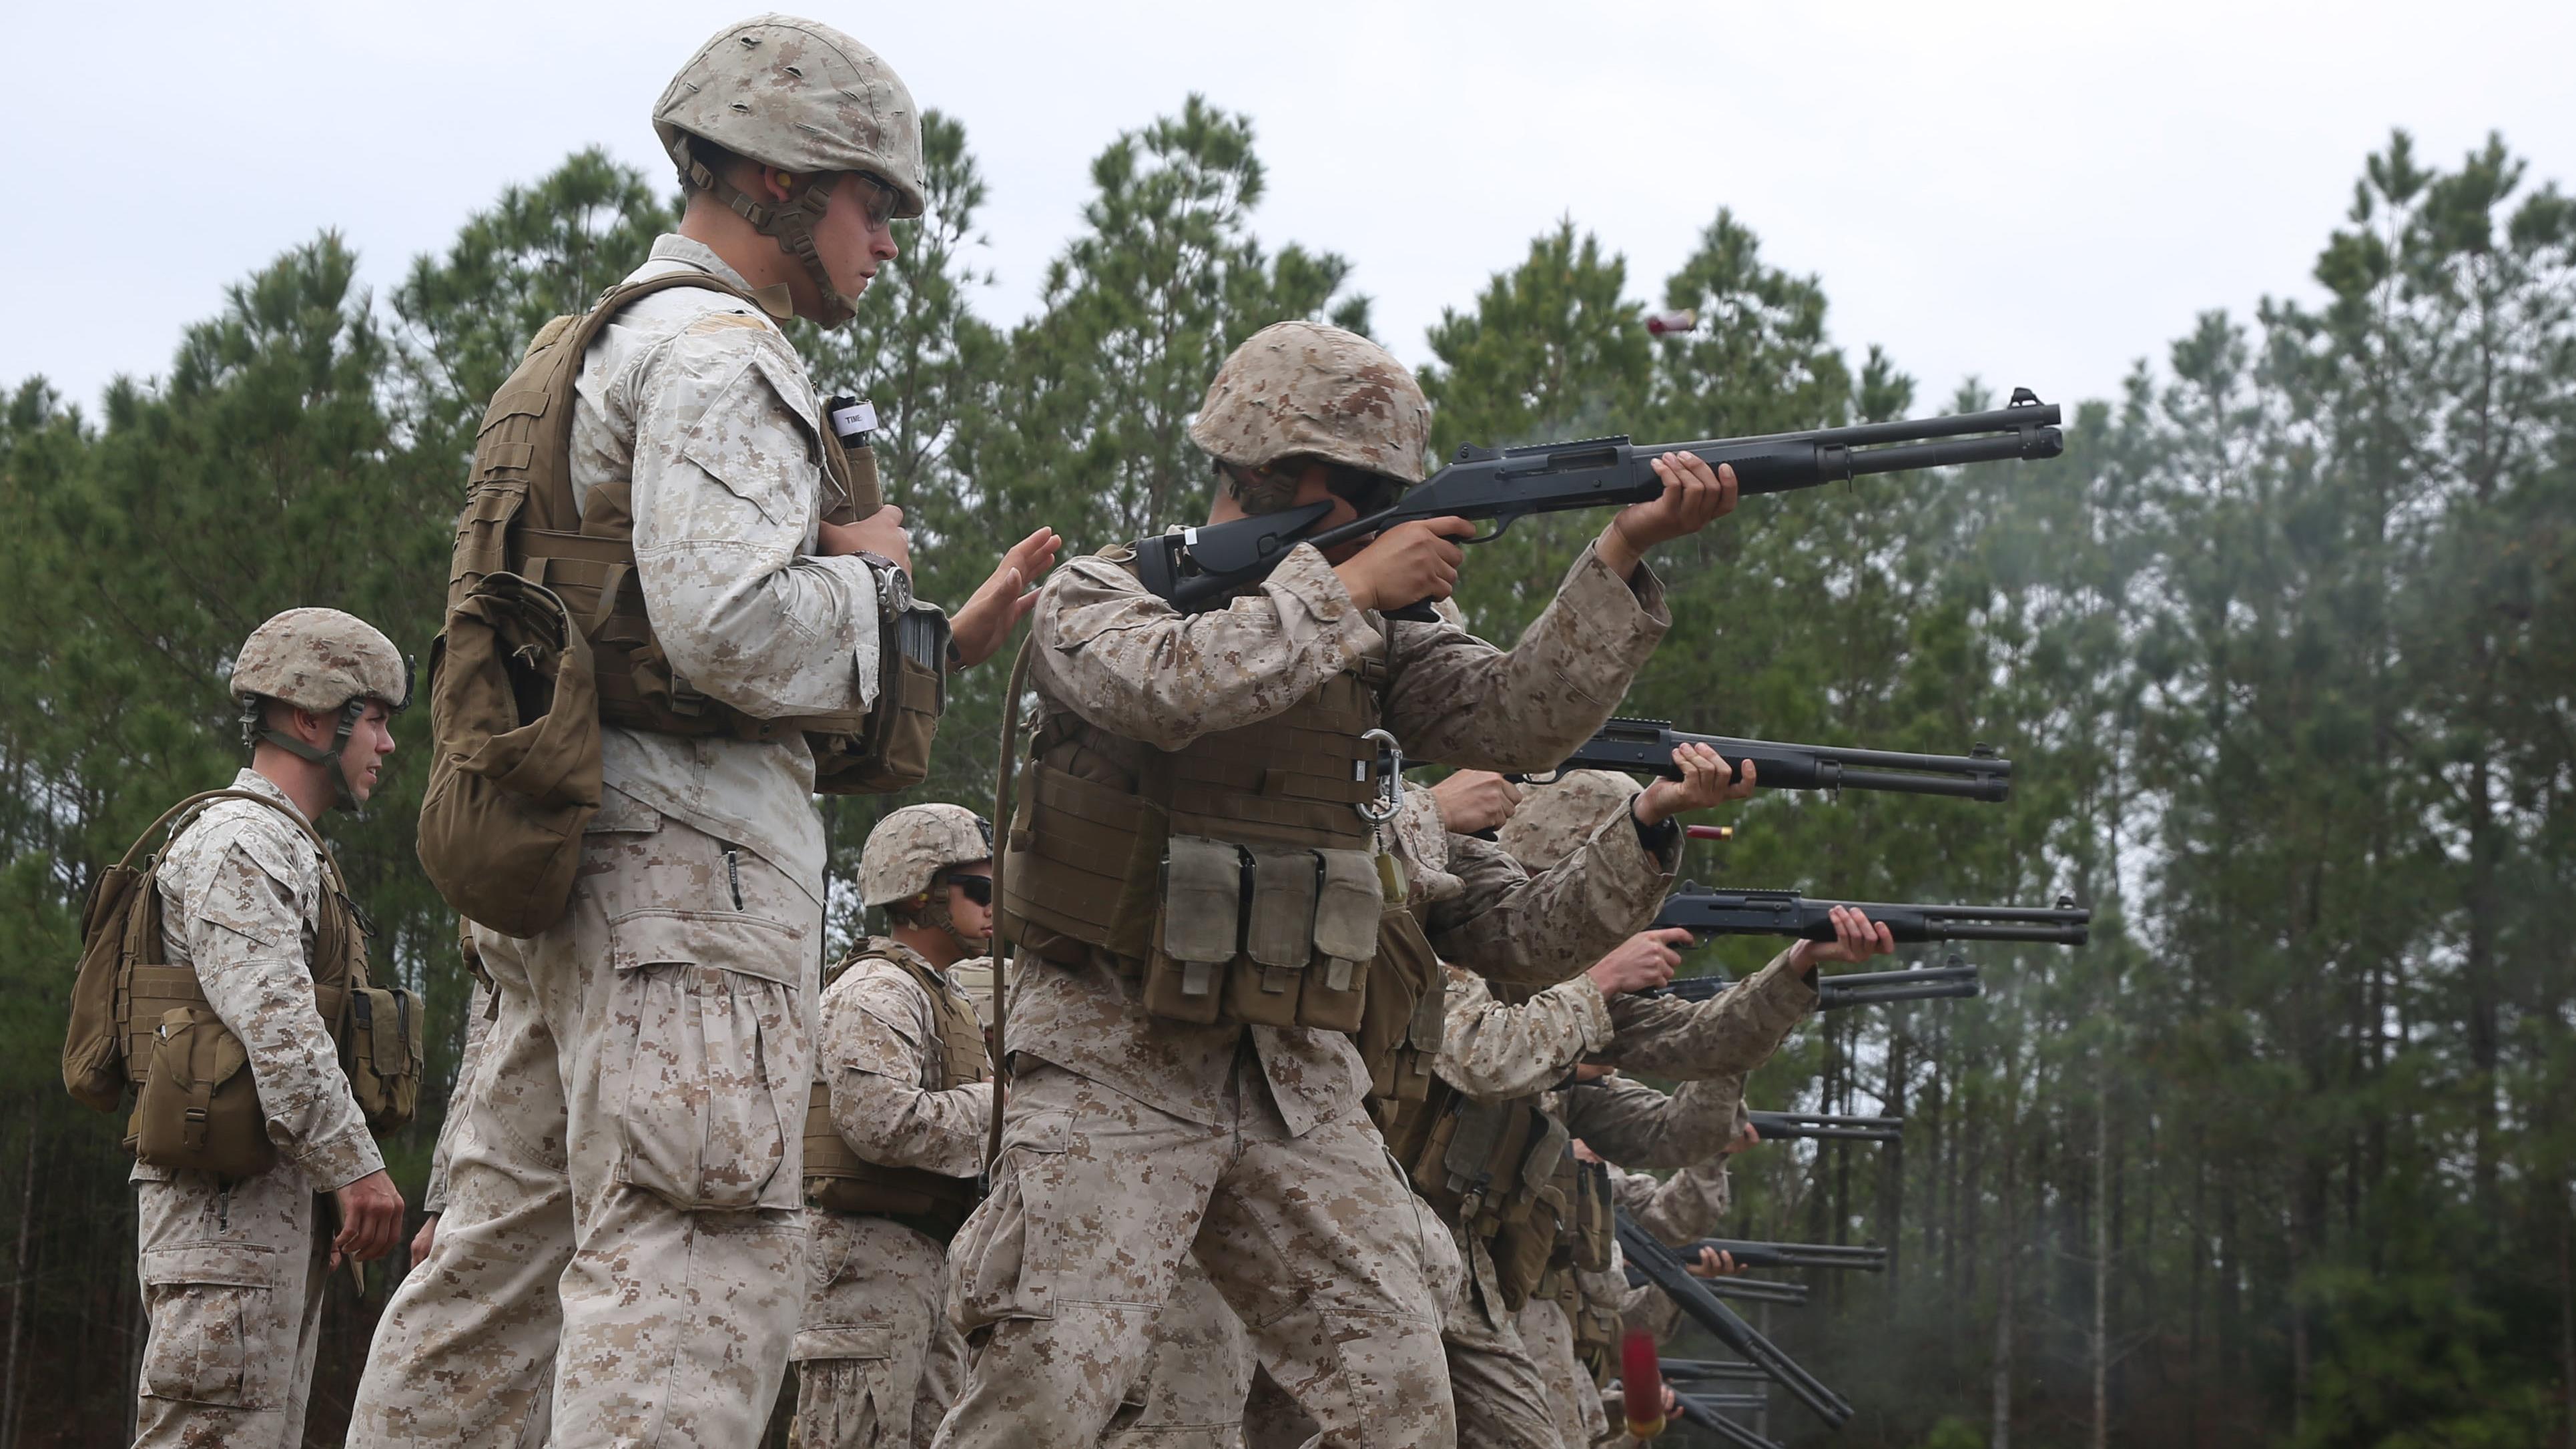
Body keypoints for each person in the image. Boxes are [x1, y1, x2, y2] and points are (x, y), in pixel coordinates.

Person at [351, 17, 1056, 1444]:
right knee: (693, 1260)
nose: (892, 241)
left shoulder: (587, 345)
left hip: (569, 864)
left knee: (496, 1273)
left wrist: (923, 631)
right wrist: (871, 577)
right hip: (685, 885)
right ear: (779, 180)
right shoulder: (724, 351)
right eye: (875, 202)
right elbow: (726, 622)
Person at [938, 318, 1735, 1447]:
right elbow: (1174, 688)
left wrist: (1617, 556)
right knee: (1040, 1398)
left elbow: (1516, 719)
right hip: (1112, 1049)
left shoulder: (1379, 632)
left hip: (1291, 1068)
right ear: (1297, 481)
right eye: (1376, 492)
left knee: (1401, 1398)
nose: (1405, 518)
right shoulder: (1100, 596)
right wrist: (1349, 585)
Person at [127, 607, 410, 1448]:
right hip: (224, 1221)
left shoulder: (291, 849)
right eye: (377, 721)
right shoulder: (242, 843)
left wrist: (325, 1189)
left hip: (260, 1214)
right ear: (312, 718)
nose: (387, 746)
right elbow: (280, 1026)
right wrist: (354, 1168)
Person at [795, 805, 998, 1449]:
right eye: (980, 888)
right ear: (922, 893)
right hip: (863, 1262)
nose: (996, 905)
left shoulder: (943, 994)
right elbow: (878, 1122)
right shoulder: (877, 990)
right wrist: (1003, 1106)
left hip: (920, 1257)